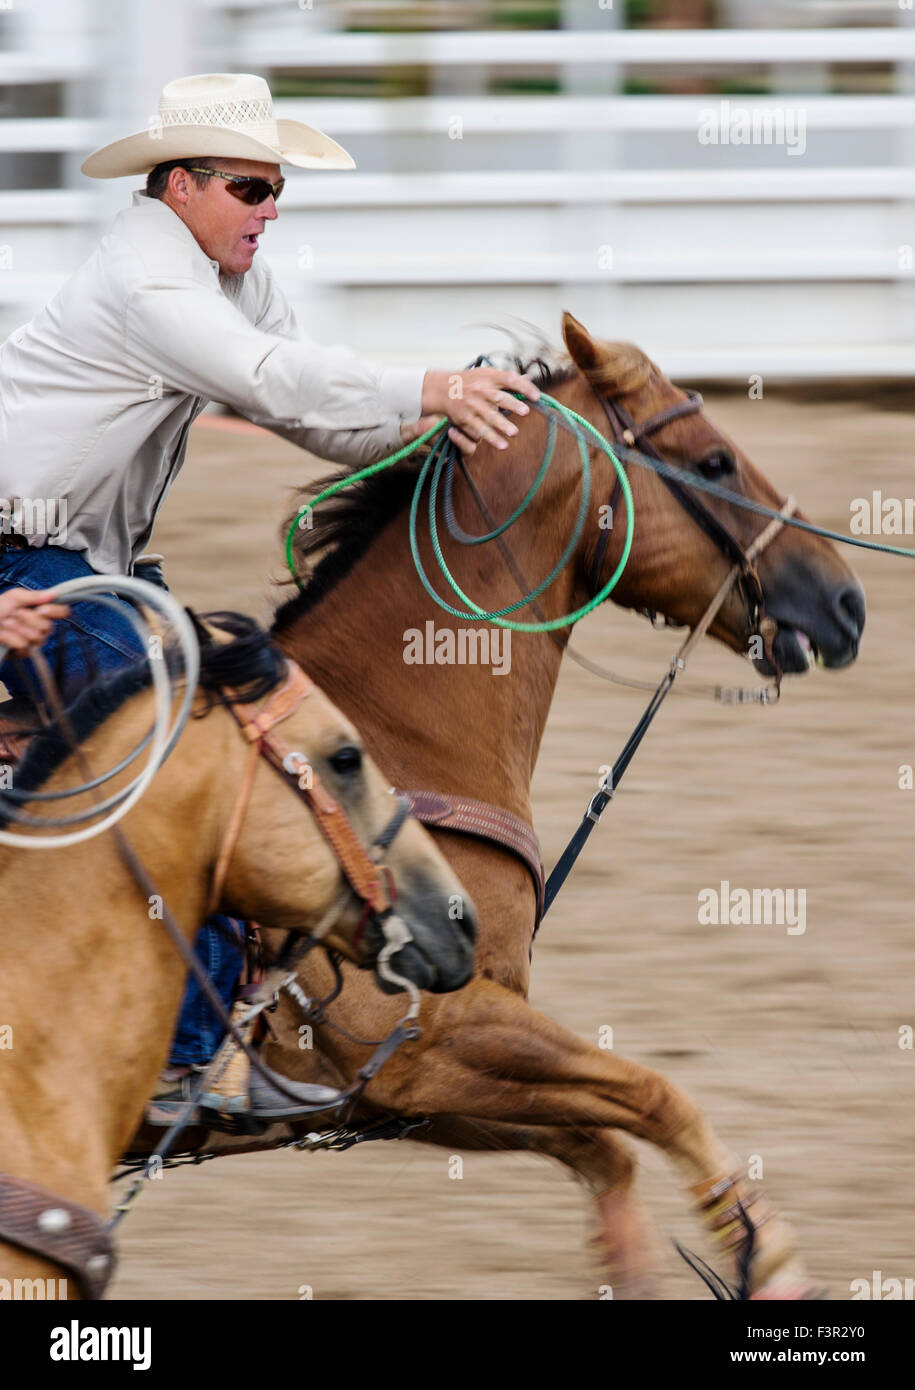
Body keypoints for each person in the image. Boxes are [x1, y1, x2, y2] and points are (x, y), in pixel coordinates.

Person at [0, 72, 540, 1122]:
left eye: (275, 189)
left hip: (80, 569)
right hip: (28, 569)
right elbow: (275, 379)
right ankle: (177, 1058)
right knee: (179, 748)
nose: (270, 209)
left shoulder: (218, 276)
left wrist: (462, 419)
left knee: (242, 713)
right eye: (251, 188)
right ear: (181, 185)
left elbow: (325, 420)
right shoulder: (146, 279)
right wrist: (434, 388)